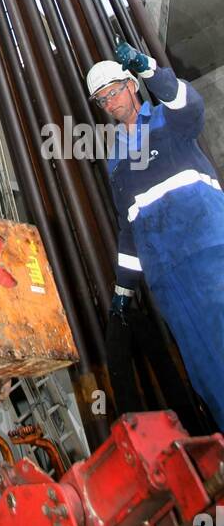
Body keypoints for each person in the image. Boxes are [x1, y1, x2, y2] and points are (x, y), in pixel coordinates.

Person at [87, 41, 224, 430]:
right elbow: (128, 225)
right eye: (102, 99)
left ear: (131, 86)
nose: (111, 103)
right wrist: (124, 288)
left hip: (208, 250)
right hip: (166, 276)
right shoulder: (116, 161)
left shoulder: (168, 120)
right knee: (203, 368)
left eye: (114, 91)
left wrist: (147, 67)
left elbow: (192, 105)